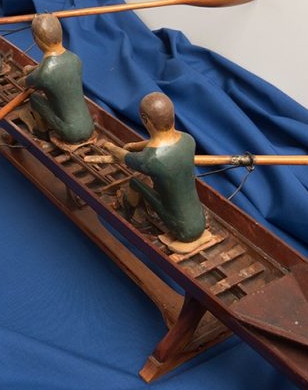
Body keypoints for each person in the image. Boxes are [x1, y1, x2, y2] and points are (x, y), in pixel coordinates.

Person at [103, 92, 208, 249]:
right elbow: (158, 142)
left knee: (135, 181)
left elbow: (124, 156)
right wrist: (134, 145)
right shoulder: (188, 140)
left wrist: (109, 146)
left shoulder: (149, 160)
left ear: (145, 120)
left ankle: (126, 214)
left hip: (181, 229)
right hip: (200, 222)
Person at [23, 14, 94, 144]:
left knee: (34, 98)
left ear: (37, 40)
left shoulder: (44, 73)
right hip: (88, 126)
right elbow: (59, 72)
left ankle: (42, 133)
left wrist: (28, 73)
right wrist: (34, 68)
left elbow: (27, 83)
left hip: (69, 132)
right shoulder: (75, 59)